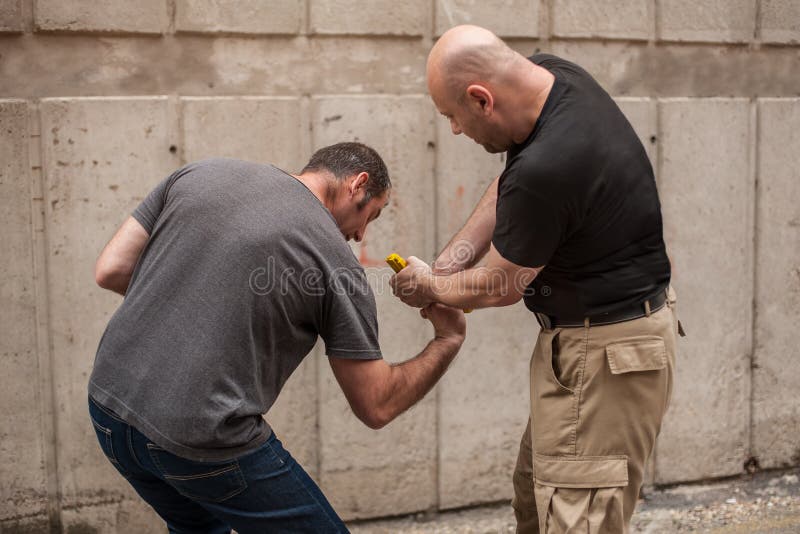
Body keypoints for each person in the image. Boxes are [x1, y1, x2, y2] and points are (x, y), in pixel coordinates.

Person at [89, 142, 466, 533]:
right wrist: (447, 339)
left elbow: (112, 269)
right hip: (200, 434)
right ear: (358, 184)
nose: (360, 235)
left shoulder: (201, 172)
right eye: (371, 215)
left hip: (108, 407)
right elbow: (377, 404)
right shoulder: (334, 261)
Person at [391, 25, 680, 533]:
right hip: (584, 346)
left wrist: (429, 287)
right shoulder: (553, 79)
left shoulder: (551, 165)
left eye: (452, 116)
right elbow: (512, 183)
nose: (455, 130)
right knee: (536, 502)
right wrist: (451, 263)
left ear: (482, 99)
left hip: (606, 357)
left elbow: (501, 285)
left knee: (576, 521)